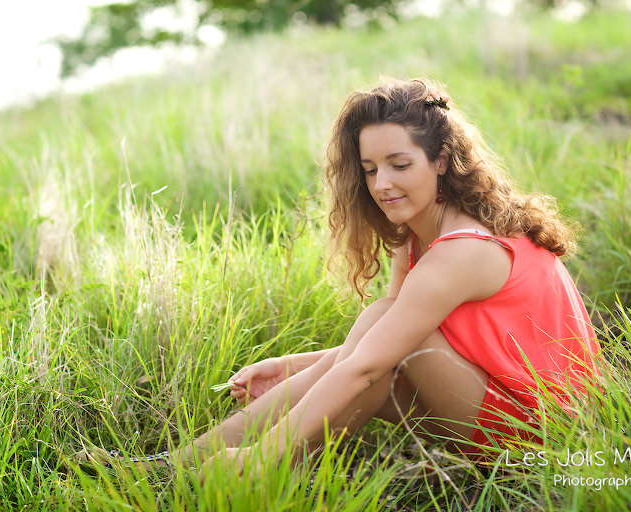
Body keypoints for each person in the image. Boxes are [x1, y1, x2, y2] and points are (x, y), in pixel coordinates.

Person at [88, 77, 599, 476]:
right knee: (375, 361)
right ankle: (179, 467)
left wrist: (267, 447)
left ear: (441, 160)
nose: (382, 184)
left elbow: (373, 357)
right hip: (497, 405)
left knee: (378, 339)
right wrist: (290, 366)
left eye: (399, 165)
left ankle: (255, 464)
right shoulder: (418, 235)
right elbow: (380, 349)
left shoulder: (461, 251)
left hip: (545, 438)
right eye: (371, 169)